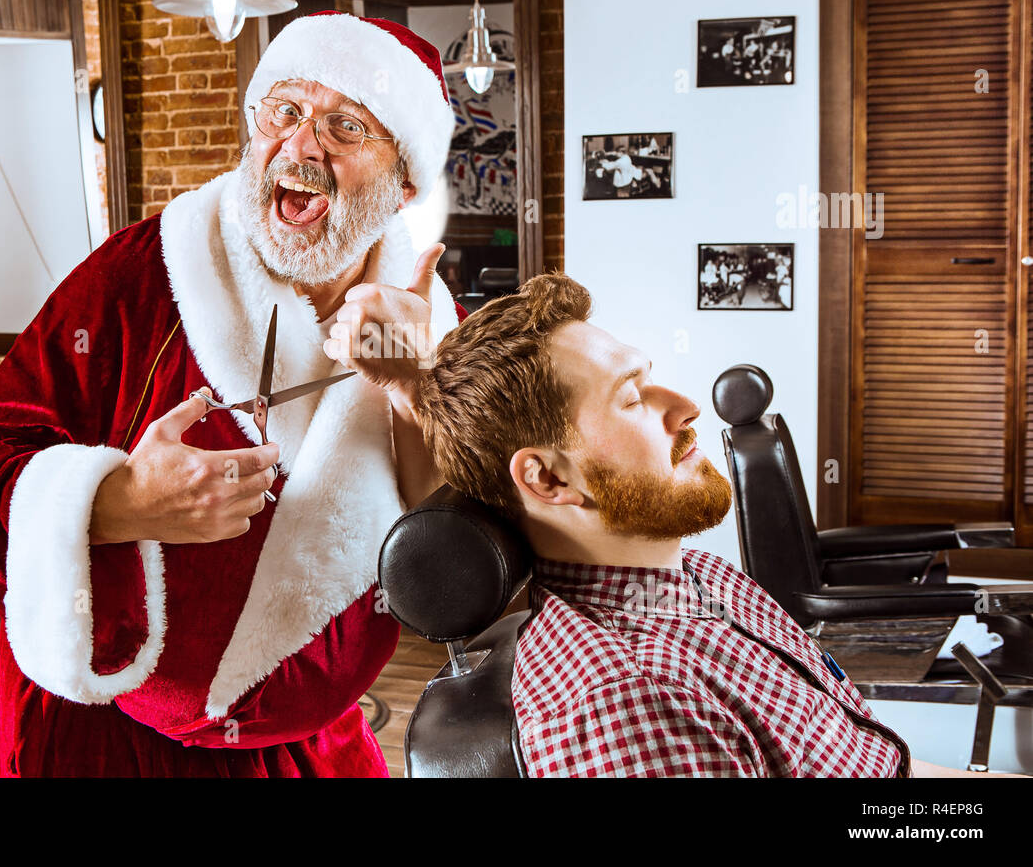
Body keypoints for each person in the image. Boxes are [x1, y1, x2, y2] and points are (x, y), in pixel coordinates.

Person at [0, 10, 465, 777]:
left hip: (311, 750)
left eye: (346, 126)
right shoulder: (142, 274)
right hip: (105, 744)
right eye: (284, 111)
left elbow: (474, 540)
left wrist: (419, 387)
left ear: (405, 179)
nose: (301, 144)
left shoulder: (433, 326)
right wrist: (114, 503)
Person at [414, 271, 1000, 777]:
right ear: (549, 480)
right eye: (632, 397)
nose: (686, 405)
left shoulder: (703, 576)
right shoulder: (629, 706)